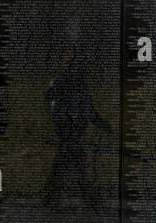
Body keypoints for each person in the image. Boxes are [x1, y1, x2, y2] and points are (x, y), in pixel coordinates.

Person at [44, 48, 112, 209]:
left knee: (67, 163)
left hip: (74, 129)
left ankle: (53, 196)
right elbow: (50, 95)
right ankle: (88, 197)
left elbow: (87, 109)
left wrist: (101, 123)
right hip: (67, 128)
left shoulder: (80, 84)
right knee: (76, 162)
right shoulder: (64, 80)